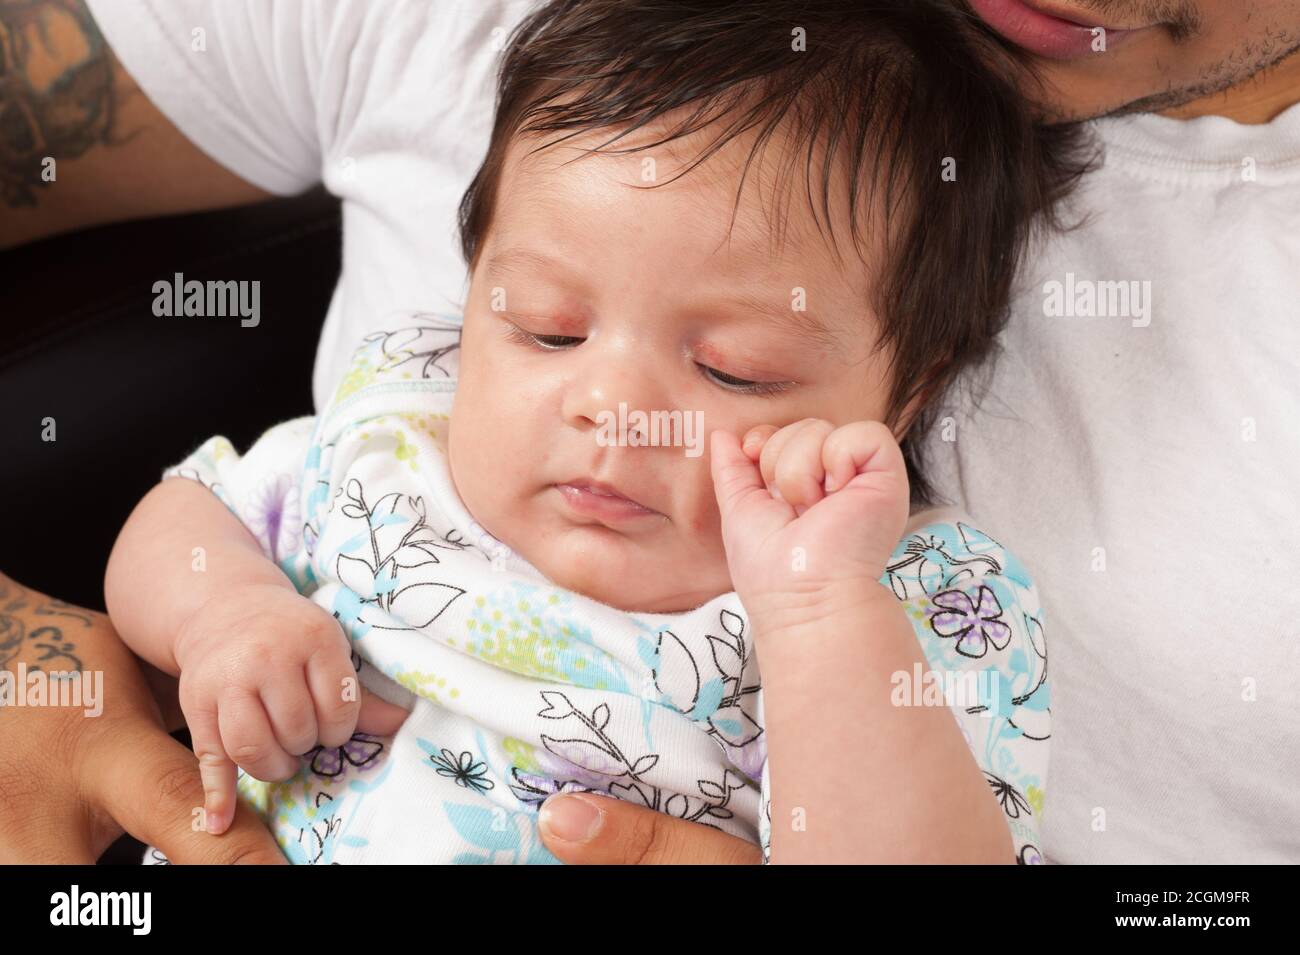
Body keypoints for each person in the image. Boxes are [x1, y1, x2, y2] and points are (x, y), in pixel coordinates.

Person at [2, 0, 1297, 865]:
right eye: (546, 330)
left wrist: (819, 617)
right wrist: (215, 614)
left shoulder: (912, 604)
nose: (606, 407)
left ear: (909, 398)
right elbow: (197, 510)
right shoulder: (405, 434)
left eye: (736, 370)